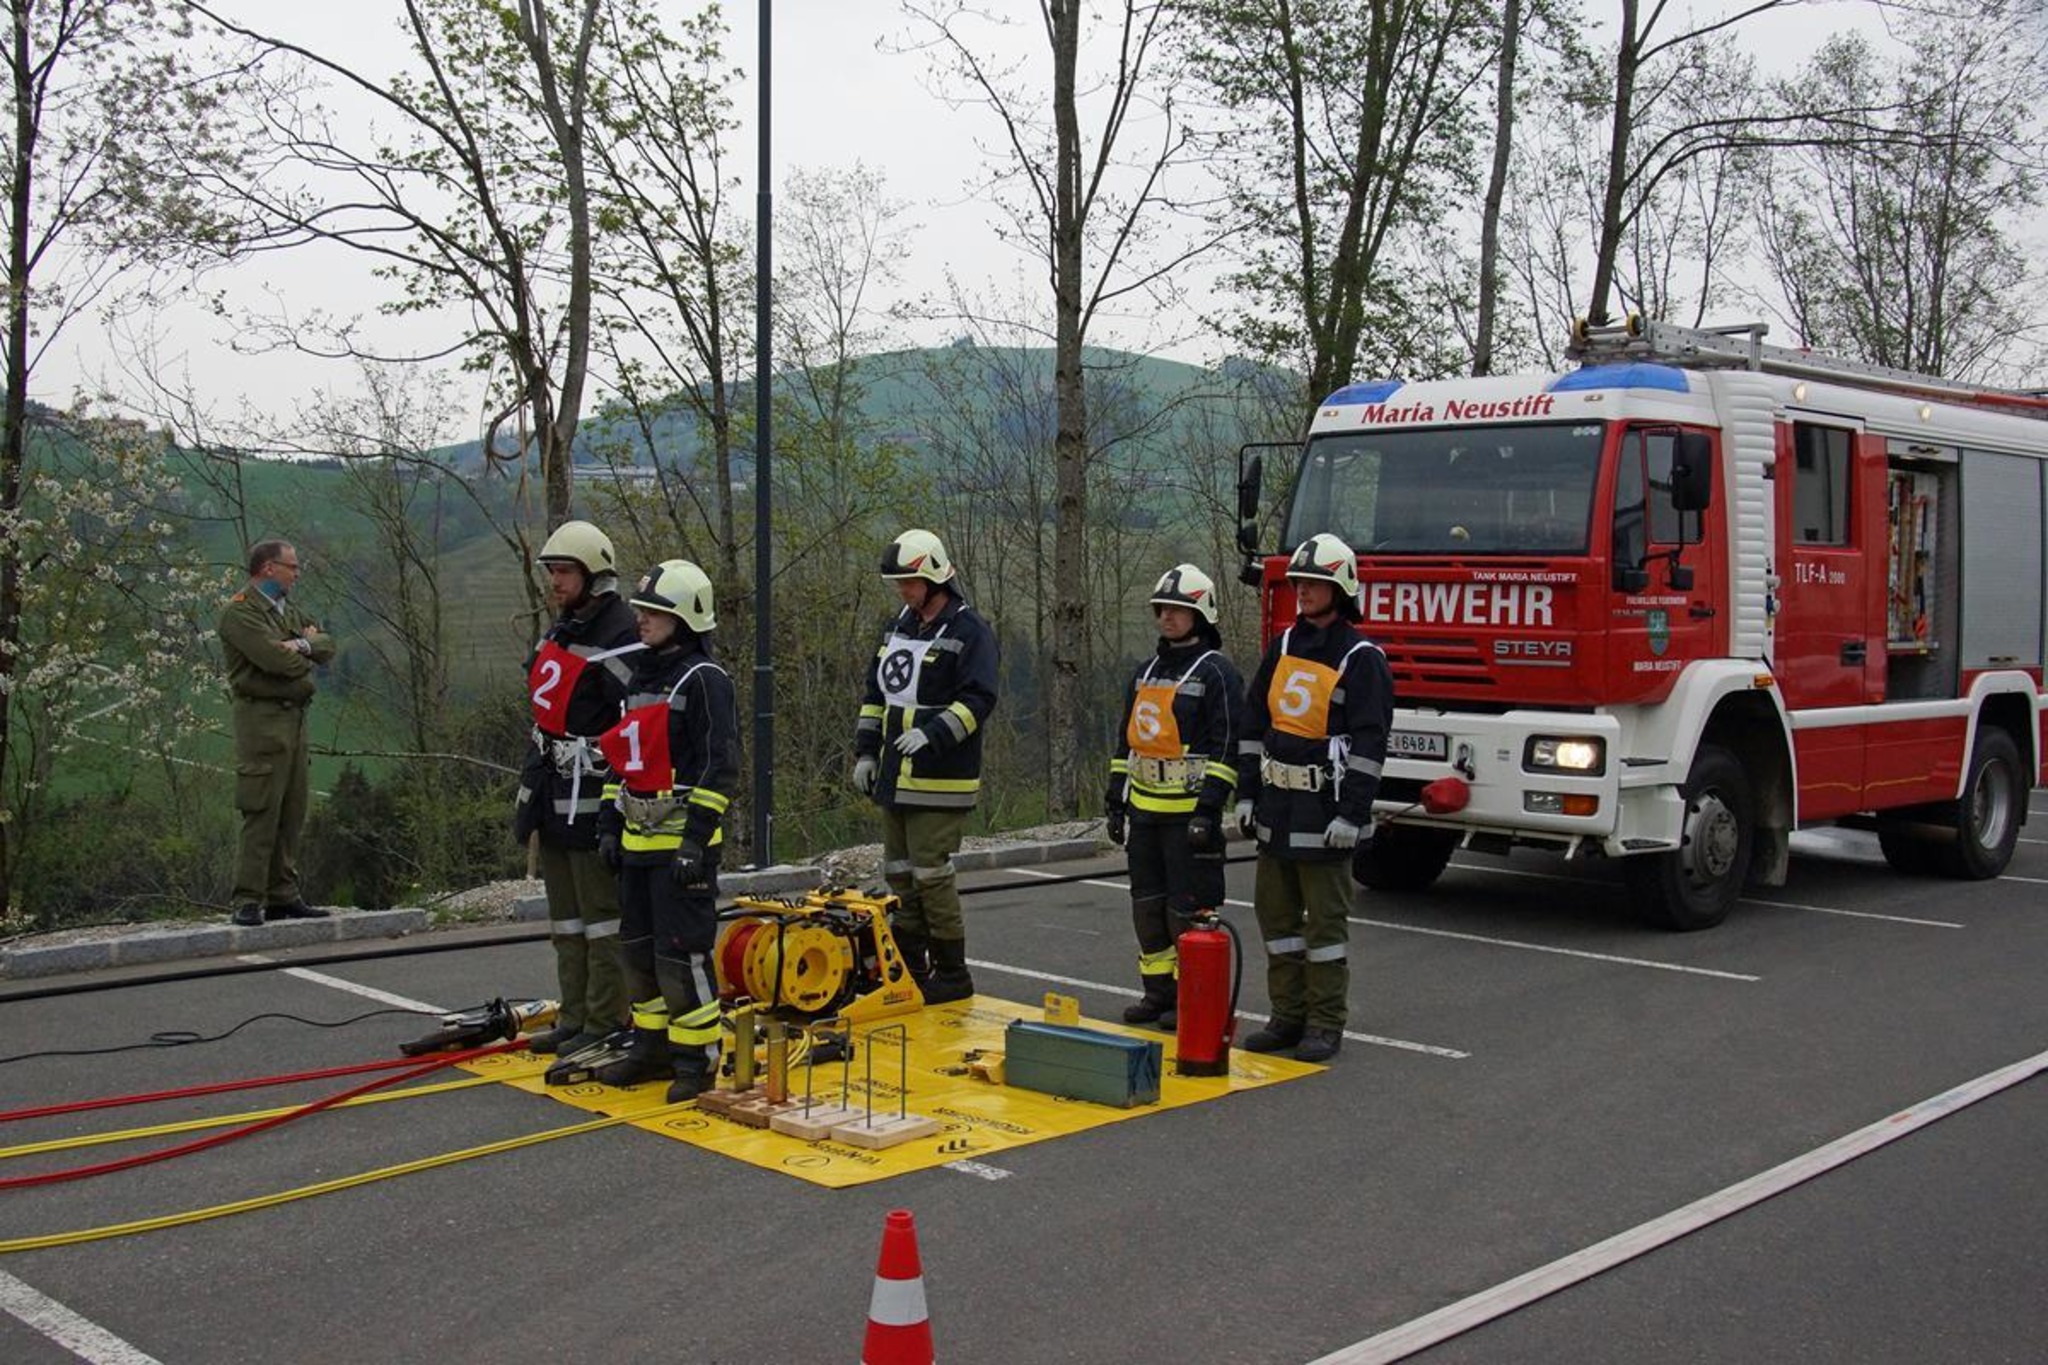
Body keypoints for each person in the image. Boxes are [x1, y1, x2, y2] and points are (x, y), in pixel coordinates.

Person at [1233, 534, 1393, 1063]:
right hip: (1277, 807)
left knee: (1323, 928)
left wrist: (1353, 813)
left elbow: (1370, 745)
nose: (1301, 590)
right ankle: (1287, 1016)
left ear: (1340, 588)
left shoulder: (1361, 658)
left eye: (1314, 583)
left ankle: (1325, 1022)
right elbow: (1255, 722)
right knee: (1276, 921)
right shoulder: (1281, 646)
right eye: (1299, 582)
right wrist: (1247, 794)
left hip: (1326, 812)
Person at [590, 559, 739, 1101]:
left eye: (653, 611)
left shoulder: (705, 681)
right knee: (638, 954)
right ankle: (650, 1049)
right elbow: (622, 758)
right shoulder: (642, 677)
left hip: (681, 849)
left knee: (682, 958)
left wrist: (696, 840)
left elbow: (717, 767)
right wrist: (608, 823)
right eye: (641, 608)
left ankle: (696, 1061)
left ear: (686, 618)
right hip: (636, 844)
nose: (640, 618)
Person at [852, 529, 999, 1004]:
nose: (903, 591)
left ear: (935, 580)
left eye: (909, 583)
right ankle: (910, 965)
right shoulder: (899, 625)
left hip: (940, 777)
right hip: (895, 773)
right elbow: (877, 695)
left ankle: (953, 973)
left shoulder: (968, 631)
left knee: (930, 873)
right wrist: (866, 752)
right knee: (899, 871)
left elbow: (978, 700)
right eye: (899, 584)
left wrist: (933, 735)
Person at [514, 521, 641, 1056]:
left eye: (564, 572)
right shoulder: (563, 628)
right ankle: (574, 1015)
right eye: (551, 573)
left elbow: (635, 719)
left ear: (594, 574)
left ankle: (606, 1019)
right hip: (551, 790)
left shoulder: (623, 633)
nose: (555, 583)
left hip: (593, 796)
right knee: (566, 917)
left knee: (601, 919)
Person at [1104, 564, 1242, 1030]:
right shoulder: (1145, 672)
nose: (1167, 617)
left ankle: (1192, 996)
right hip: (1145, 812)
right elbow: (1128, 742)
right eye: (1162, 609)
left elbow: (1227, 746)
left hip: (1188, 817)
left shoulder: (1217, 672)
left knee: (1186, 910)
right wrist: (1115, 799)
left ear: (1200, 614)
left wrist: (1209, 809)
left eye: (1178, 610)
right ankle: (1158, 993)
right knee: (1147, 909)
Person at [218, 539, 336, 927]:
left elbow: (327, 645)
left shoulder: (288, 611)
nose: (297, 573)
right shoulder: (241, 613)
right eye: (291, 566)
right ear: (268, 568)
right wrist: (304, 651)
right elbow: (274, 660)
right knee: (262, 807)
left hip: (295, 719)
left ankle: (283, 894)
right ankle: (248, 897)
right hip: (262, 720)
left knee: (292, 808)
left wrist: (300, 644)